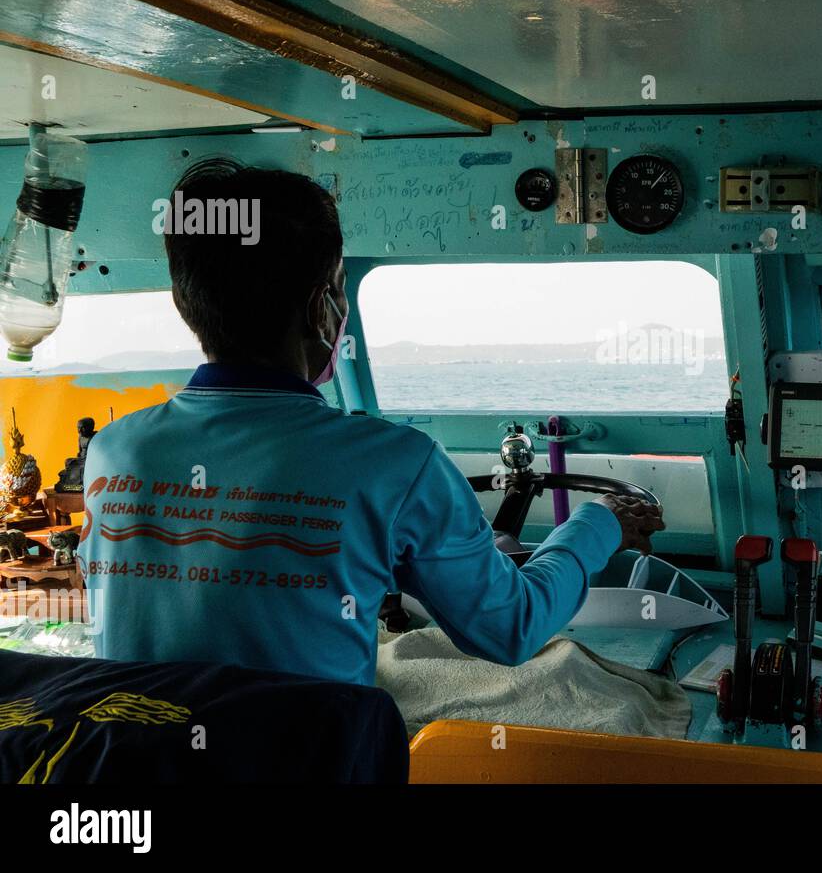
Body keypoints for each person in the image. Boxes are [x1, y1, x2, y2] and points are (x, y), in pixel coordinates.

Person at [80, 165, 663, 686]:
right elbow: (510, 628)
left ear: (187, 305)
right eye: (338, 288)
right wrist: (598, 526)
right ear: (321, 308)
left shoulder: (111, 451)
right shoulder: (393, 461)